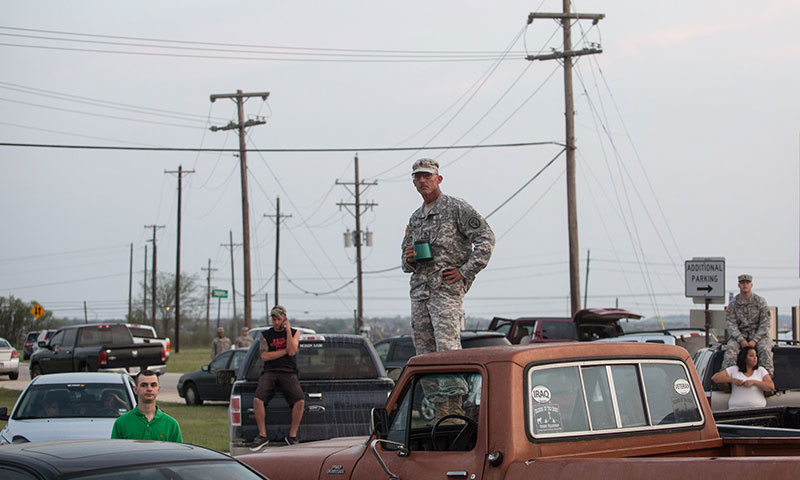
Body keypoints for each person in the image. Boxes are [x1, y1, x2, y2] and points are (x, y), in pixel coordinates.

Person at [401, 158, 495, 422]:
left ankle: (453, 414)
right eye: (417, 177)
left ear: (438, 179)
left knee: (448, 349)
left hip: (446, 291)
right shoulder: (416, 218)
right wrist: (409, 256)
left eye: (426, 176)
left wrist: (465, 272)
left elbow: (486, 239)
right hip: (421, 291)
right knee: (425, 352)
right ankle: (438, 412)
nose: (422, 181)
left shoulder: (456, 208)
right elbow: (405, 261)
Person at [249, 305, 304, 451]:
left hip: (288, 372)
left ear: (284, 318)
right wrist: (284, 351)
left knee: (300, 400)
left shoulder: (294, 332)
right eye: (273, 318)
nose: (275, 322)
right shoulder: (265, 335)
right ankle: (262, 435)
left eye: (278, 319)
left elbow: (292, 351)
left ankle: (292, 436)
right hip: (270, 371)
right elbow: (265, 356)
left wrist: (287, 330)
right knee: (257, 399)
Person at [721, 274, 774, 376]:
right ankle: (727, 379)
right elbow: (731, 324)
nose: (745, 285)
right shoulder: (733, 303)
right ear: (739, 285)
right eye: (742, 283)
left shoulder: (760, 302)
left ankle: (767, 380)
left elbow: (765, 323)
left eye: (747, 283)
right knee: (730, 350)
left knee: (765, 350)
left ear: (751, 285)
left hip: (759, 335)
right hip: (740, 336)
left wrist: (755, 340)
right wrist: (741, 340)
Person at [111, 370, 182, 442]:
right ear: (135, 390)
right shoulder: (121, 423)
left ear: (158, 389)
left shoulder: (171, 424)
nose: (149, 389)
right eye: (144, 385)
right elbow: (116, 451)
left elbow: (178, 452)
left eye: (153, 385)